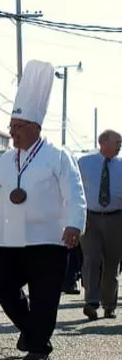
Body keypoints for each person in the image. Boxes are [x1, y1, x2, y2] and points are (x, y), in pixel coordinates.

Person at [0, 60, 86, 360]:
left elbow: (74, 193)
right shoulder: (4, 160)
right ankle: (32, 329)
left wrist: (74, 225)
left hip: (48, 237)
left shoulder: (58, 156)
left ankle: (38, 344)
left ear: (35, 127)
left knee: (45, 295)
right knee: (1, 284)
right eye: (11, 127)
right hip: (9, 238)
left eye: (17, 128)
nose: (12, 133)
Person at [77, 129, 122, 319]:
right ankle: (91, 302)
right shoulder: (84, 163)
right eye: (117, 142)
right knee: (91, 259)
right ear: (103, 142)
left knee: (112, 263)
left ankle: (109, 305)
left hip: (116, 218)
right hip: (90, 218)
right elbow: (73, 188)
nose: (120, 146)